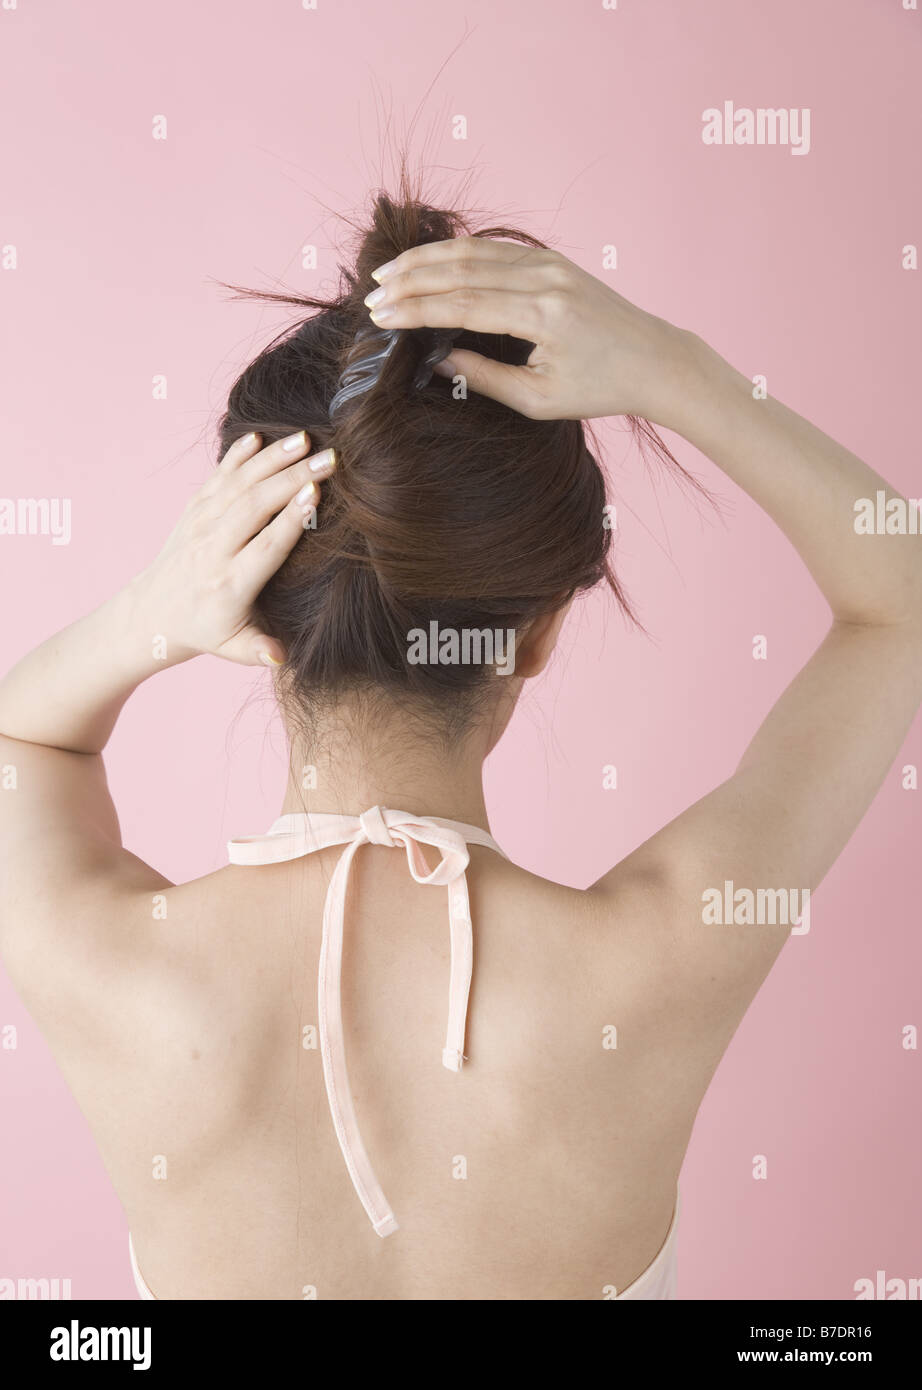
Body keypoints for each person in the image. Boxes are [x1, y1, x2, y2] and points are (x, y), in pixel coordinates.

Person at [1, 187, 920, 1301]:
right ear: (535, 634)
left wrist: (149, 615)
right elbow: (899, 599)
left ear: (253, 612)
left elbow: (22, 740)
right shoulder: (664, 955)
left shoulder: (119, 970)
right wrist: (681, 371)